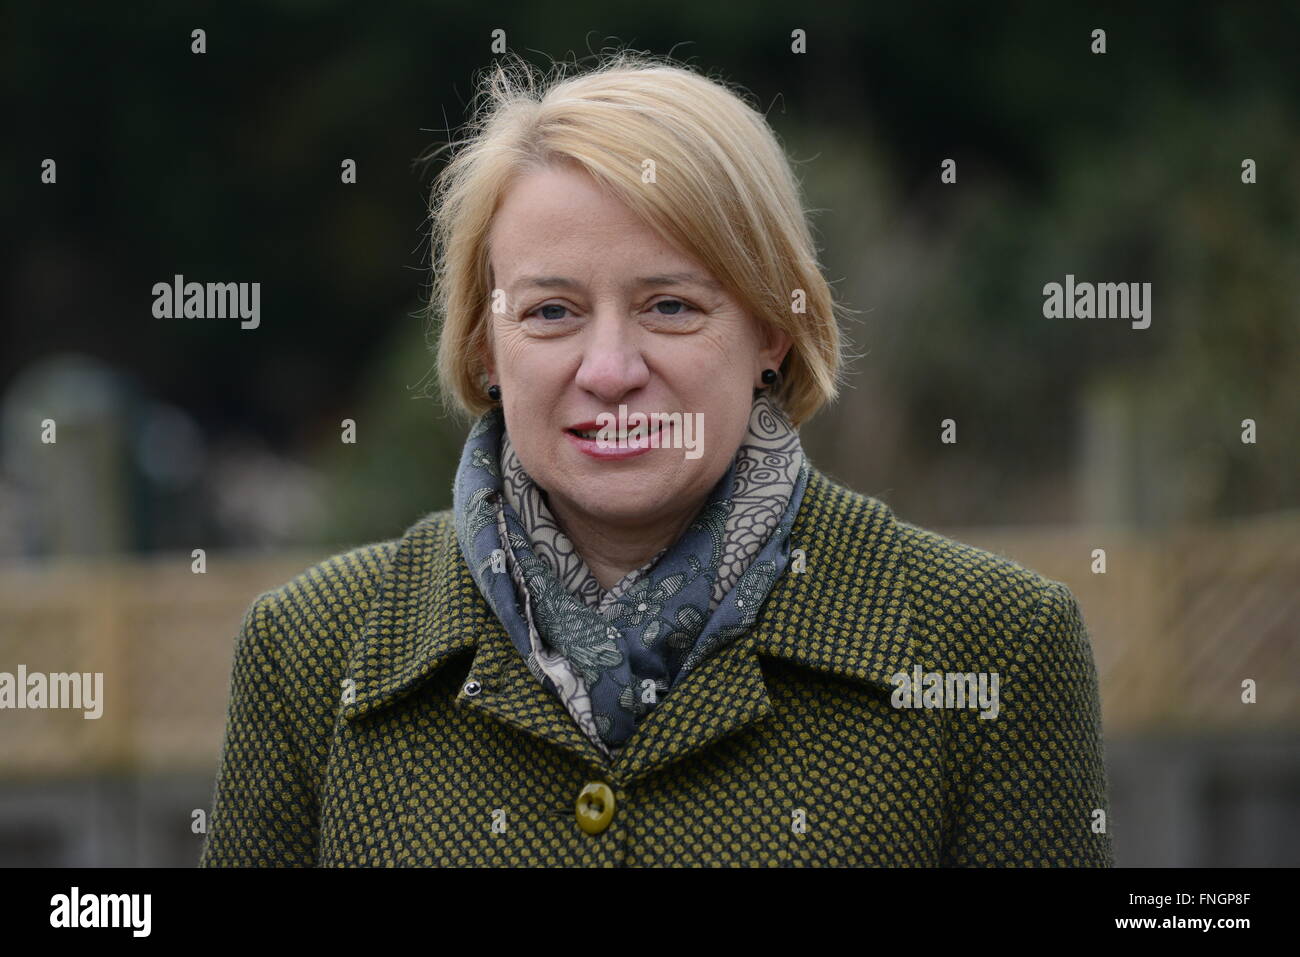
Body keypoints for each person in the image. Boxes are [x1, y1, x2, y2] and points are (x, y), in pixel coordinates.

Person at [199, 52, 1113, 867]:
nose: (609, 370)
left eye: (671, 305)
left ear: (772, 330)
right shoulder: (309, 656)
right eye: (552, 311)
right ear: (485, 346)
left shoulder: (996, 645)